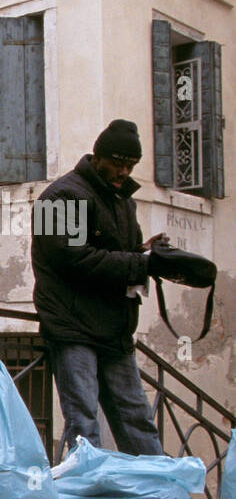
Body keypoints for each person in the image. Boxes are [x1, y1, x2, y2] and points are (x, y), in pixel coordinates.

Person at [31, 119, 167, 458]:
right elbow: (71, 261)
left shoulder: (123, 201)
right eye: (118, 163)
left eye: (131, 165)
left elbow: (116, 256)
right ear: (98, 157)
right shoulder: (59, 197)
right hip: (73, 328)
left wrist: (146, 252)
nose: (124, 171)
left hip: (114, 330)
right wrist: (140, 263)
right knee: (83, 427)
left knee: (137, 420)